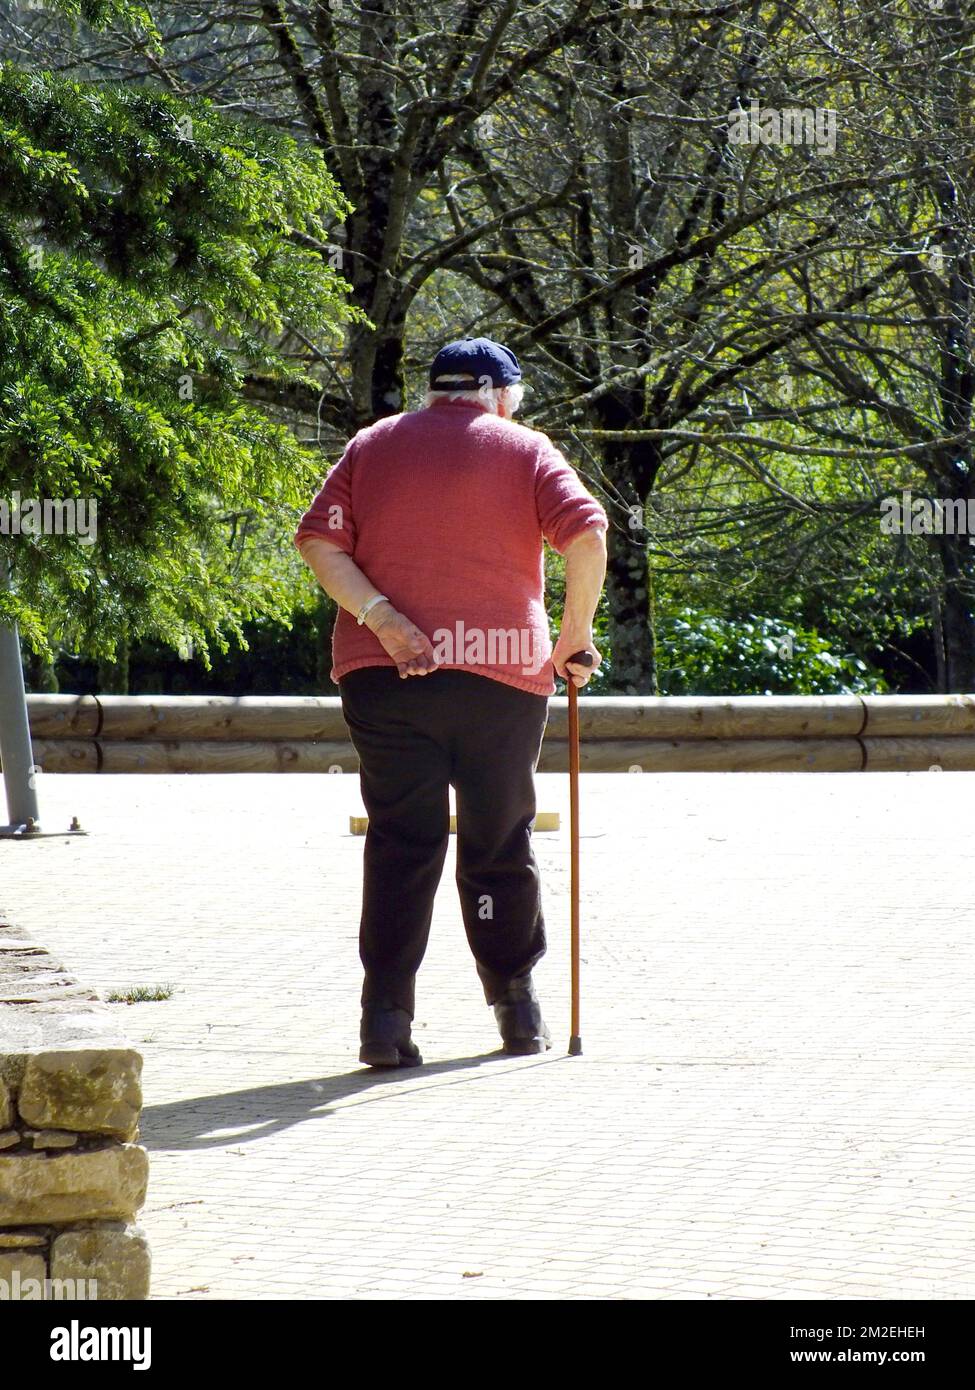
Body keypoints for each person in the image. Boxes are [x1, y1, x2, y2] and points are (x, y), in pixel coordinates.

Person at [295, 336, 608, 1067]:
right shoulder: (525, 448)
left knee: (402, 841)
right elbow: (586, 533)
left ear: (436, 390)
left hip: (384, 676)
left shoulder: (372, 445)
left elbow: (318, 542)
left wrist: (383, 618)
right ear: (499, 394)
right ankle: (516, 1011)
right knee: (497, 840)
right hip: (499, 678)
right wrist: (574, 637)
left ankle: (385, 1020)